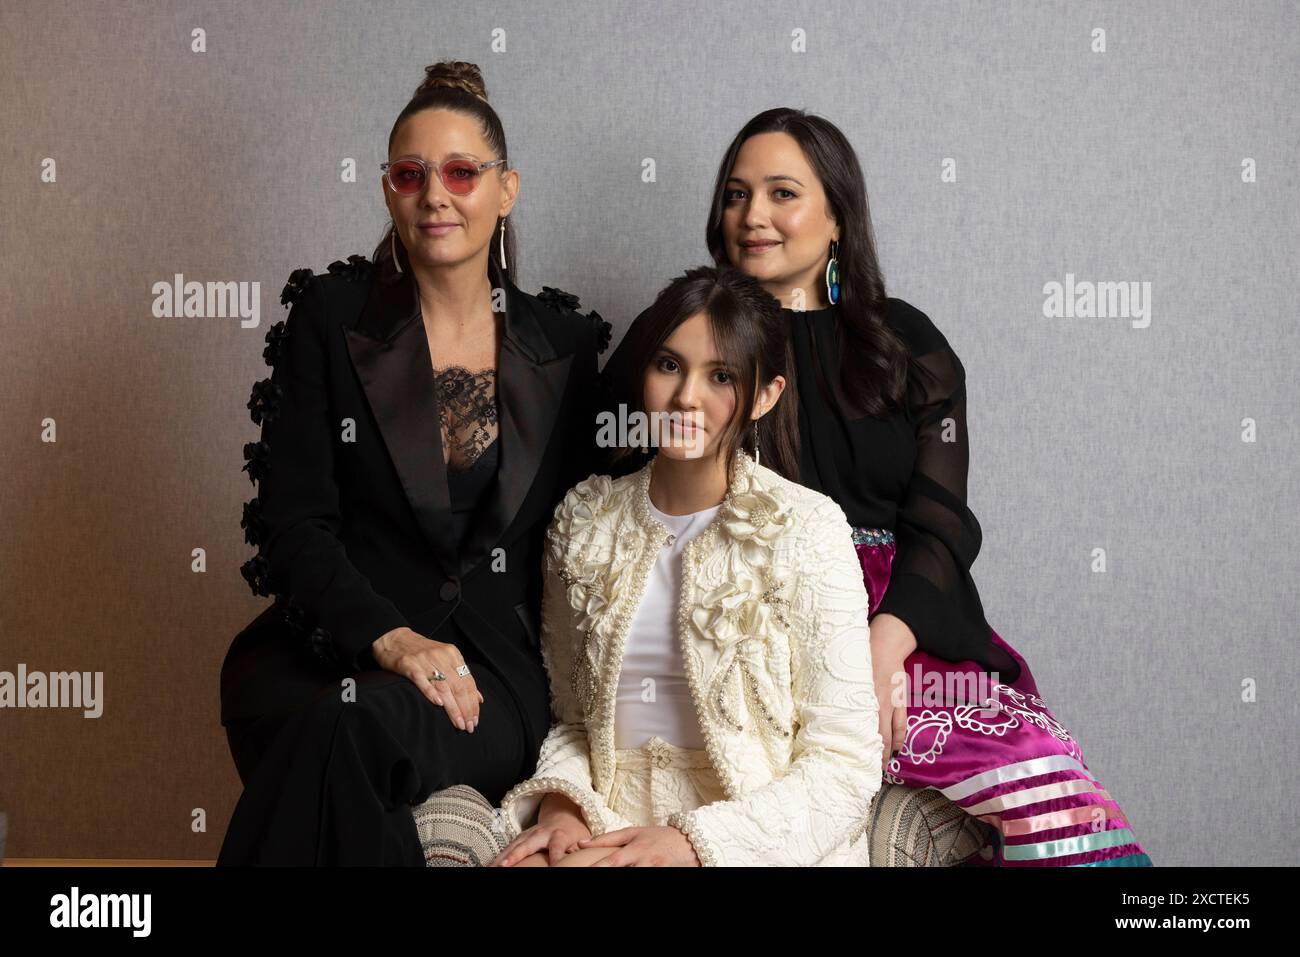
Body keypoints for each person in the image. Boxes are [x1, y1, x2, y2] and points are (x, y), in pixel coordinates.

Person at [601, 109, 1153, 867]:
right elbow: (608, 475)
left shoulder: (905, 342)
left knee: (1050, 791)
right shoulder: (682, 333)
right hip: (749, 622)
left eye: (781, 193)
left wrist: (886, 642)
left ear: (836, 218)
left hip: (903, 616)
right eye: (735, 194)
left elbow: (943, 521)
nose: (752, 215)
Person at [217, 61, 607, 865]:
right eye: (410, 173)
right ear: (388, 189)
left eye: (463, 172)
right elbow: (295, 525)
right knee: (334, 738)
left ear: (506, 191)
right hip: (330, 650)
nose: (436, 193)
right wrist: (390, 640)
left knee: (345, 728)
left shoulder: (563, 351)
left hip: (486, 682)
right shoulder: (330, 318)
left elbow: (602, 540)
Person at [489, 265, 883, 867]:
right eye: (668, 365)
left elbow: (846, 768)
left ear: (766, 395)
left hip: (753, 843)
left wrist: (692, 845)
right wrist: (563, 808)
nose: (685, 397)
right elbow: (571, 719)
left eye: (720, 375)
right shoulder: (586, 520)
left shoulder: (808, 529)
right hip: (611, 830)